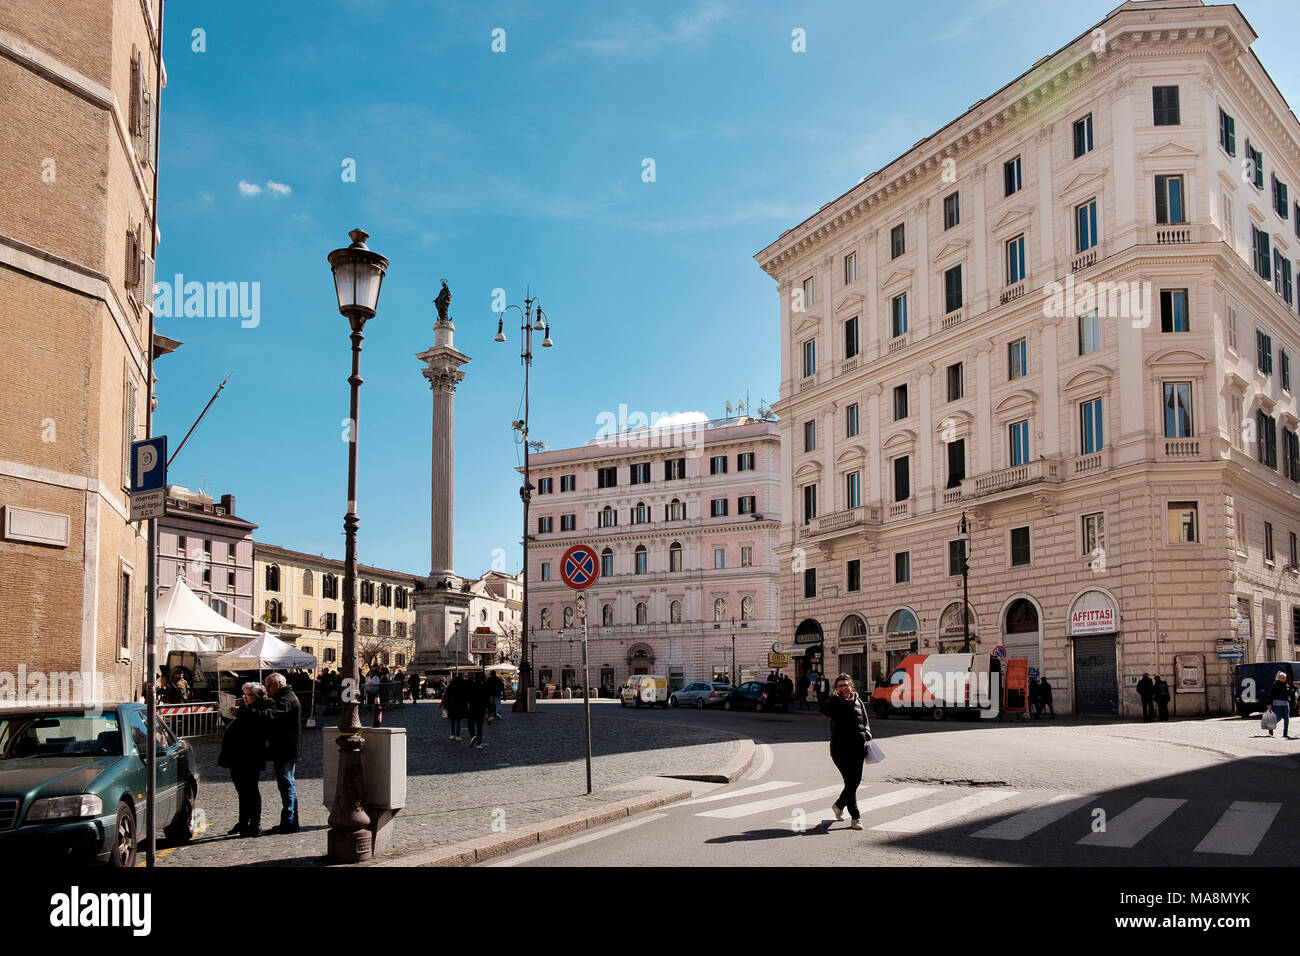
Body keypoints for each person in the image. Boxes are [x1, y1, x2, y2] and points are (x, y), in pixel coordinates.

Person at [218, 681, 271, 838]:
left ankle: (255, 822)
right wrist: (226, 713)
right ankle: (243, 821)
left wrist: (240, 712)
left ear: (257, 696)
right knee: (242, 790)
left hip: (250, 756)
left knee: (250, 790)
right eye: (244, 695)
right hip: (237, 756)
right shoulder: (245, 708)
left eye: (249, 695)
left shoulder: (262, 707)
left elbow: (258, 721)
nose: (245, 698)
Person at [820, 674, 871, 830]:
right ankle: (855, 817)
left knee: (854, 782)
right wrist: (833, 698)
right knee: (850, 782)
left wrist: (867, 733)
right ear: (836, 688)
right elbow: (825, 711)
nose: (843, 688)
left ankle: (839, 805)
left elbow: (865, 720)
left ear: (851, 686)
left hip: (858, 749)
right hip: (840, 750)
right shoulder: (835, 702)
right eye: (840, 685)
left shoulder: (858, 700)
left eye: (845, 685)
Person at [260, 672, 302, 834]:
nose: (267, 689)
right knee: (288, 784)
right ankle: (291, 820)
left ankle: (289, 822)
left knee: (287, 785)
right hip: (285, 748)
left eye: (268, 686)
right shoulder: (285, 697)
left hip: (286, 749)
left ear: (277, 684)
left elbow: (273, 714)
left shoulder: (288, 699)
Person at [1267, 670, 1292, 738]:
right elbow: (1271, 695)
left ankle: (1285, 733)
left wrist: (1294, 688)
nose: (1284, 679)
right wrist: (1269, 704)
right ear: (1279, 678)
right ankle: (1271, 727)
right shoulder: (1275, 685)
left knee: (1287, 718)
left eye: (1285, 678)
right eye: (1282, 678)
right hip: (1277, 704)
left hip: (1285, 704)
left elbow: (1289, 694)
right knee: (1278, 718)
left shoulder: (1286, 685)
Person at [467, 673, 489, 749]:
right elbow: (487, 700)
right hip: (481, 709)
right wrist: (490, 713)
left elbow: (467, 697)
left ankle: (473, 736)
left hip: (472, 708)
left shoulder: (471, 686)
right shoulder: (484, 687)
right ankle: (479, 743)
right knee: (479, 726)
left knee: (470, 724)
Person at [443, 675, 468, 740]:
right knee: (458, 720)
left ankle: (452, 734)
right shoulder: (462, 688)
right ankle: (457, 735)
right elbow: (465, 698)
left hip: (451, 706)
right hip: (459, 706)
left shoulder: (450, 687)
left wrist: (445, 706)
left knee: (452, 720)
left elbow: (446, 697)